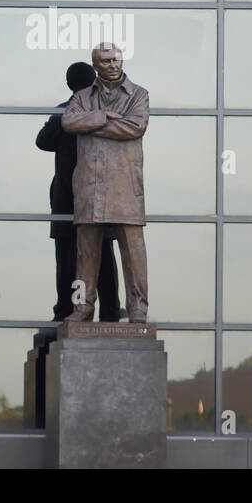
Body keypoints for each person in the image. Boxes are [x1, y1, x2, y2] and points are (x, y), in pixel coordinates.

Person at [62, 43, 149, 323]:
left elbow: (135, 127)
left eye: (116, 59)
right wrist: (103, 116)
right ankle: (82, 307)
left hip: (125, 185)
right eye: (106, 60)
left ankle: (138, 309)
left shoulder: (138, 94)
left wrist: (93, 126)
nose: (113, 64)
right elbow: (68, 122)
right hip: (90, 185)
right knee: (85, 253)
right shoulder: (82, 97)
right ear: (95, 65)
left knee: (133, 252)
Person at [35, 61, 120, 322]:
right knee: (103, 257)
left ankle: (66, 310)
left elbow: (43, 141)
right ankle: (110, 311)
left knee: (69, 258)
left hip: (69, 198)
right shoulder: (104, 113)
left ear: (70, 84)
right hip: (95, 195)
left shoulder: (66, 112)